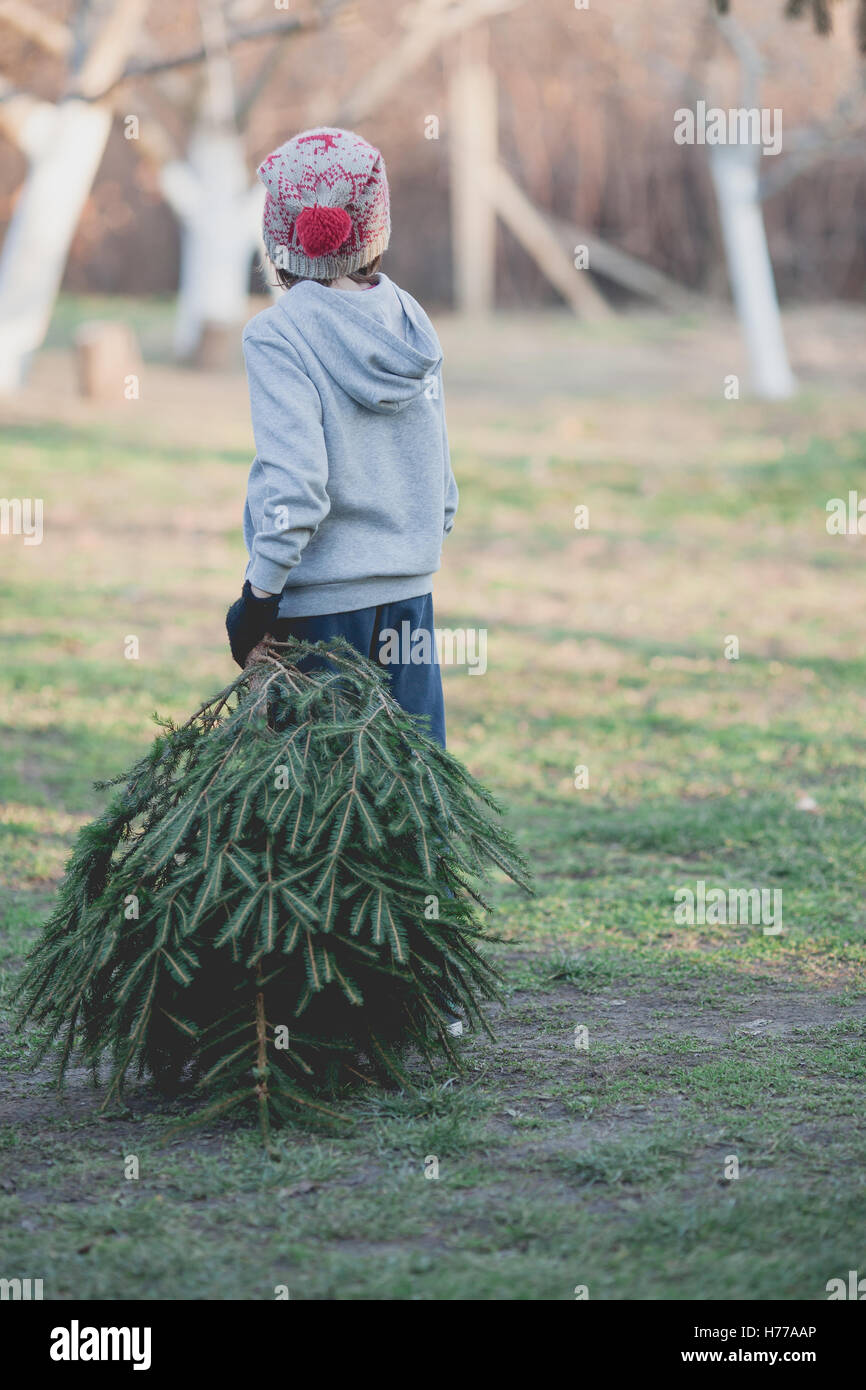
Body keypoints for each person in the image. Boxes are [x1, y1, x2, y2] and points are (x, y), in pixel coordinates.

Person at [226, 125, 457, 750]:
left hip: (318, 611)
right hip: (409, 598)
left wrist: (258, 599)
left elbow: (296, 489)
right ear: (373, 228)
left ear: (280, 234)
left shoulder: (277, 335)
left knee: (313, 811)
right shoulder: (410, 320)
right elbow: (441, 480)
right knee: (405, 793)